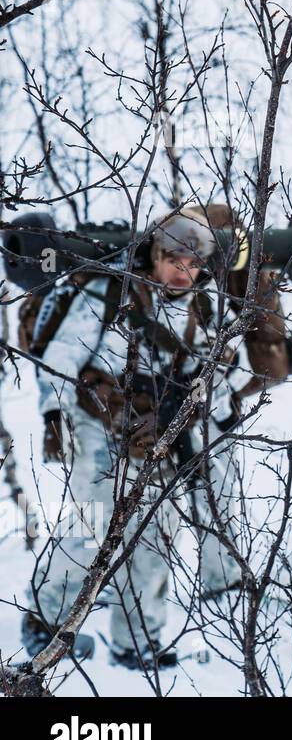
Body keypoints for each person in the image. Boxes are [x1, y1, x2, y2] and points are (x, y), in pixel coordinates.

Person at [24, 207, 253, 670]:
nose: (183, 272)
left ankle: (137, 641)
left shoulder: (207, 307)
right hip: (101, 424)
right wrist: (54, 414)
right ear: (154, 253)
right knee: (90, 527)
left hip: (161, 434)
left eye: (193, 264)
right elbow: (64, 357)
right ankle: (46, 621)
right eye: (175, 260)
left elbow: (223, 373)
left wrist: (219, 416)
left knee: (153, 536)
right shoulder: (109, 290)